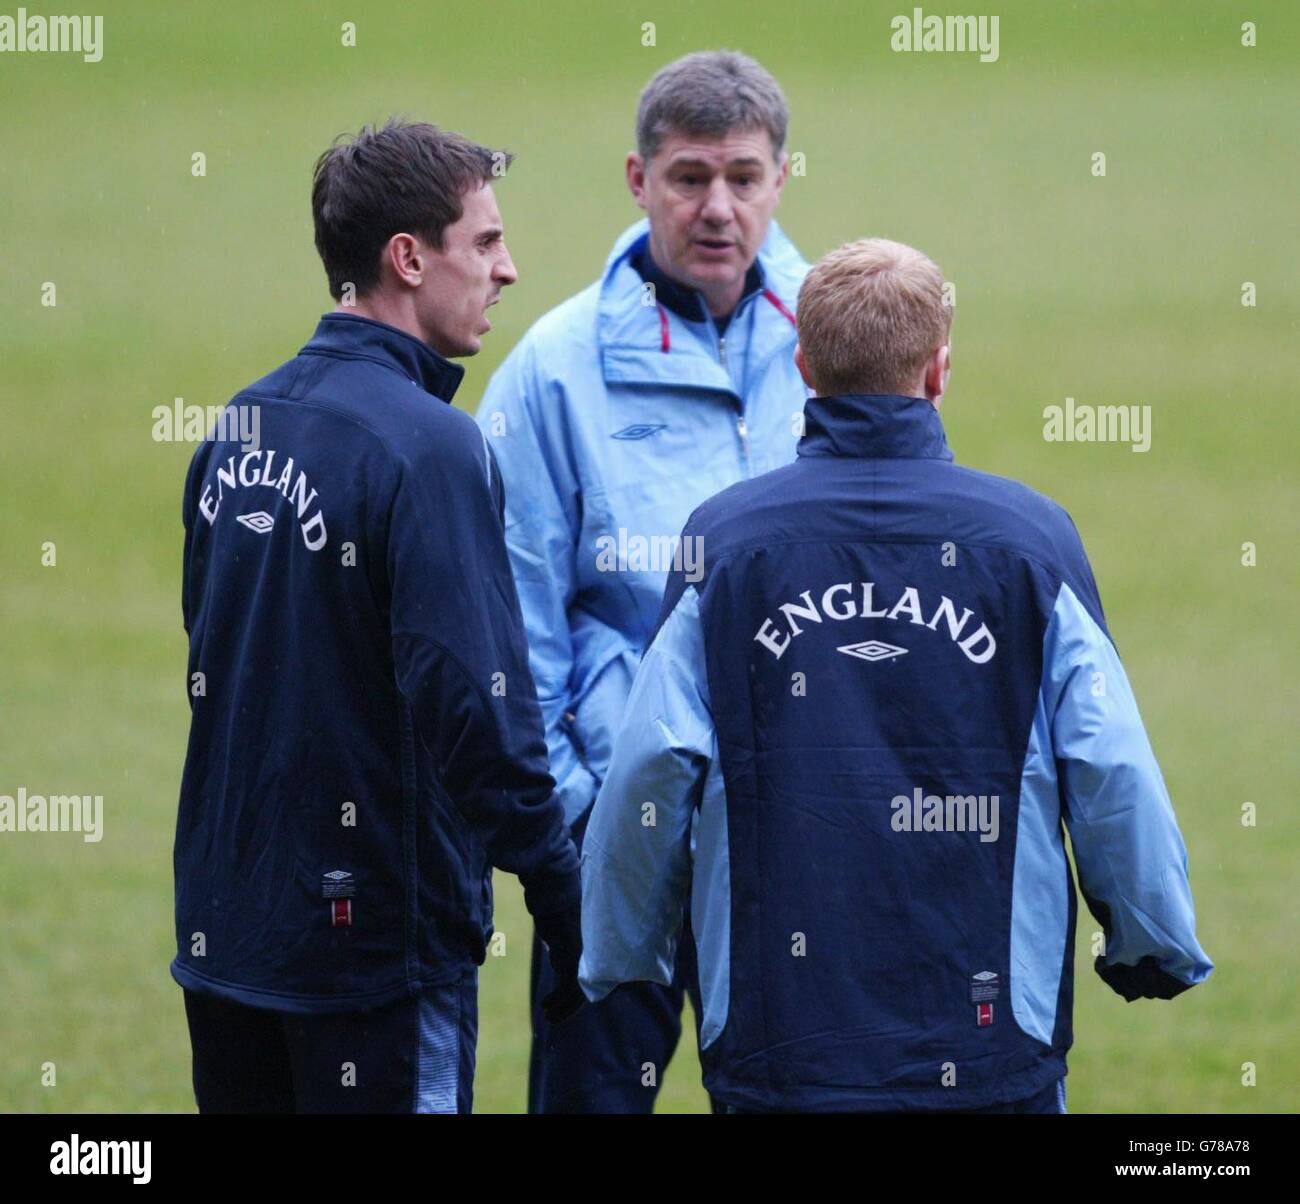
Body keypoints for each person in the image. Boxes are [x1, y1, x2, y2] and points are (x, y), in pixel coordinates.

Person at [579, 237, 1214, 1113]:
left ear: (804, 367)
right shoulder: (1029, 541)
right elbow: (1112, 769)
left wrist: (620, 950)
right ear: (940, 369)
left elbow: (649, 767)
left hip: (780, 1042)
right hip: (992, 1038)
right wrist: (1153, 941)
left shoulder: (721, 545)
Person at [171, 119, 582, 1114]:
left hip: (227, 931)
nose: (509, 269)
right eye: (483, 243)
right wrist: (563, 886)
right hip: (374, 956)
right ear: (408, 257)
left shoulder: (240, 424)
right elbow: (473, 700)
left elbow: (211, 647)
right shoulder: (430, 447)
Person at [476, 49, 809, 1113]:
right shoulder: (552, 367)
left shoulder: (838, 340)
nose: (718, 207)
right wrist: (575, 826)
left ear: (781, 180)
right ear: (637, 178)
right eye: (689, 176)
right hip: (618, 836)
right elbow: (513, 623)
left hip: (798, 835)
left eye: (743, 177)